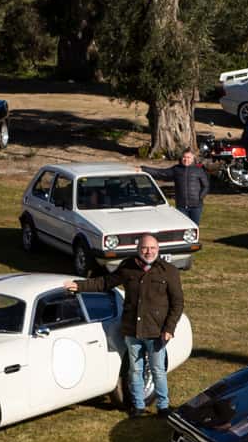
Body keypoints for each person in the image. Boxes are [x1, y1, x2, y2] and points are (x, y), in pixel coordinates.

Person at [67, 235, 184, 417]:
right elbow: (105, 282)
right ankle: (137, 405)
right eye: (145, 248)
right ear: (138, 248)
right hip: (132, 330)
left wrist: (169, 329)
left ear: (158, 249)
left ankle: (163, 407)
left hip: (157, 332)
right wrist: (79, 286)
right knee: (135, 370)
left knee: (157, 371)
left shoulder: (168, 271)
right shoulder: (128, 267)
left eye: (153, 248)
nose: (149, 251)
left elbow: (178, 303)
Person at [144, 148, 210, 227]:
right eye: (184, 157)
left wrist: (200, 197)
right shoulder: (176, 169)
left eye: (188, 157)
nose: (186, 159)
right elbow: (160, 173)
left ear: (193, 158)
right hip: (181, 206)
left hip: (196, 206)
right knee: (182, 227)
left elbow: (205, 186)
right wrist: (143, 169)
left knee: (194, 228)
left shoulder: (199, 170)